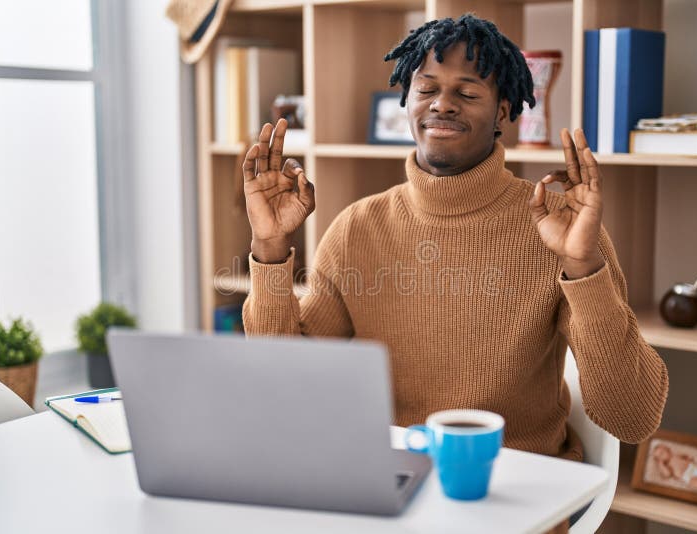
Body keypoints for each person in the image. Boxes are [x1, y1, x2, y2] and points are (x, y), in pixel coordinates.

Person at [241, 12, 668, 516]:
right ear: (406, 100)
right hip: (391, 489)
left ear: (503, 109)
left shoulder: (562, 229)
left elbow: (633, 416)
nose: (442, 104)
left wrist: (583, 267)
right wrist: (269, 248)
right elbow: (287, 388)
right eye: (426, 89)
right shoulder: (359, 226)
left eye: (467, 93)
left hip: (518, 495)